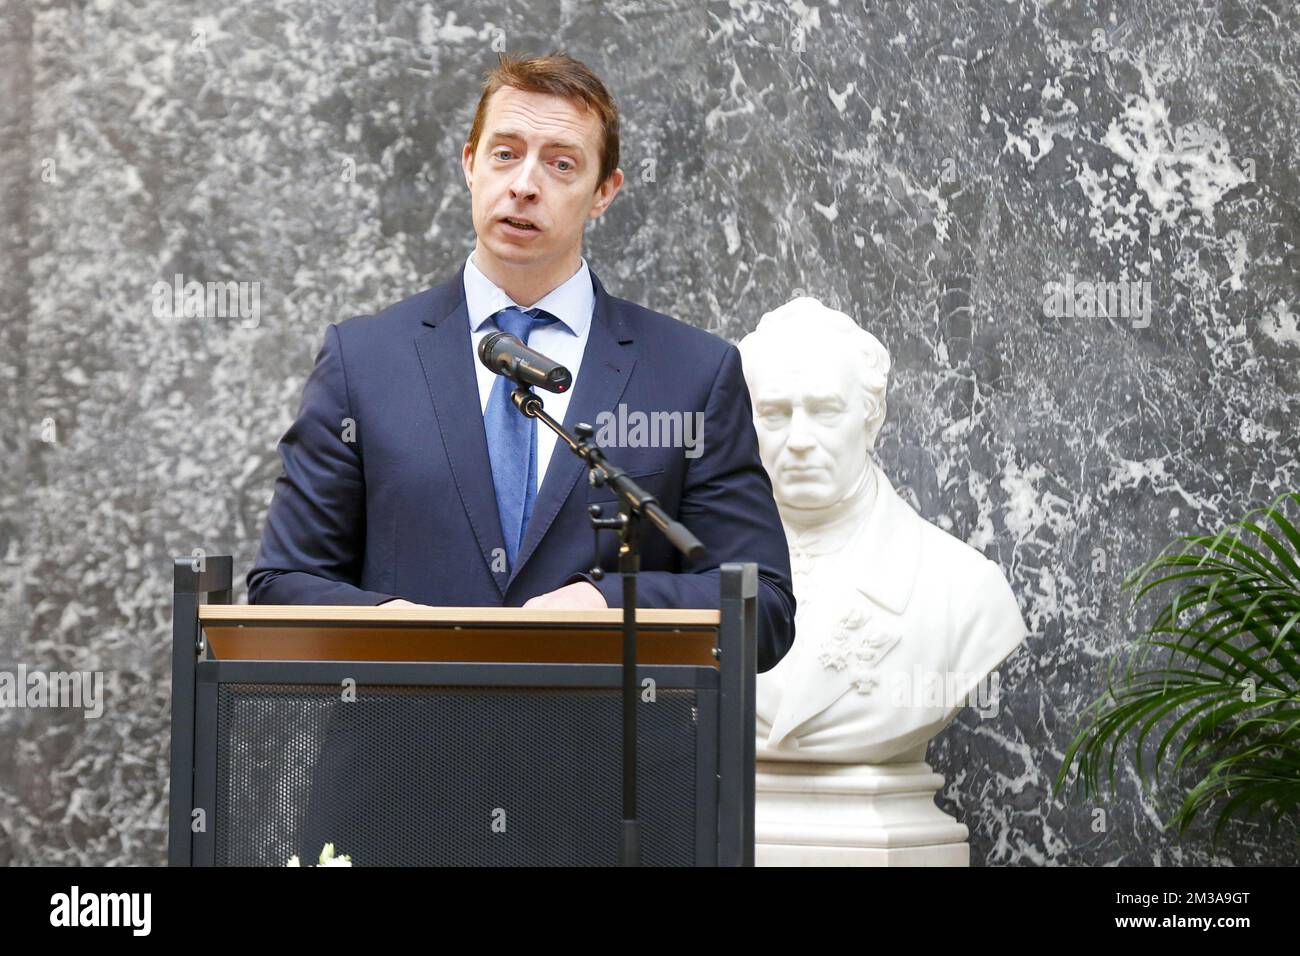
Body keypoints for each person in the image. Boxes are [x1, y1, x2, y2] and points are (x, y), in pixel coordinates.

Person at [246, 51, 795, 672]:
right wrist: (400, 627)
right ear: (469, 164)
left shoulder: (693, 373)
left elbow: (762, 607)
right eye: (505, 153)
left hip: (609, 762)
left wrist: (606, 603)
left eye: (562, 164)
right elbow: (281, 584)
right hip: (400, 754)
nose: (525, 184)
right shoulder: (362, 360)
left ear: (604, 192)